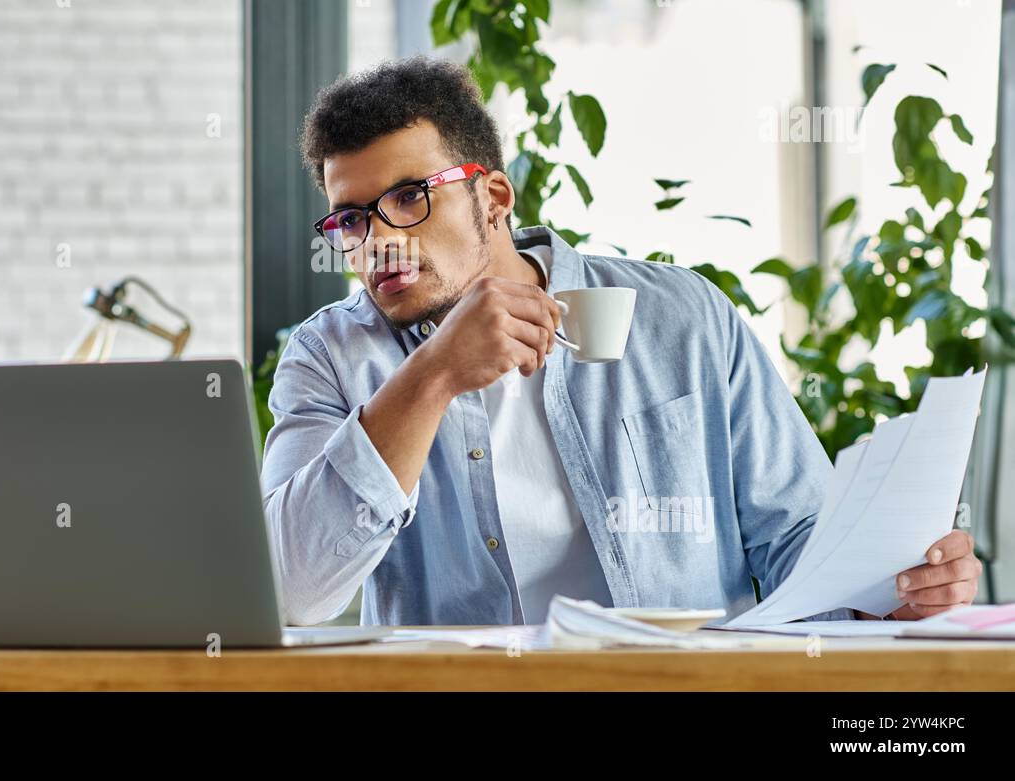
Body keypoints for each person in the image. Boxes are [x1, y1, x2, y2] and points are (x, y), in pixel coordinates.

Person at [259, 55, 981, 627]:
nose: (377, 240)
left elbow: (800, 540)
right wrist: (433, 374)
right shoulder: (328, 358)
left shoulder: (682, 318)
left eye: (409, 197)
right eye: (350, 219)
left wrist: (890, 588)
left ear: (494, 199)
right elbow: (290, 586)